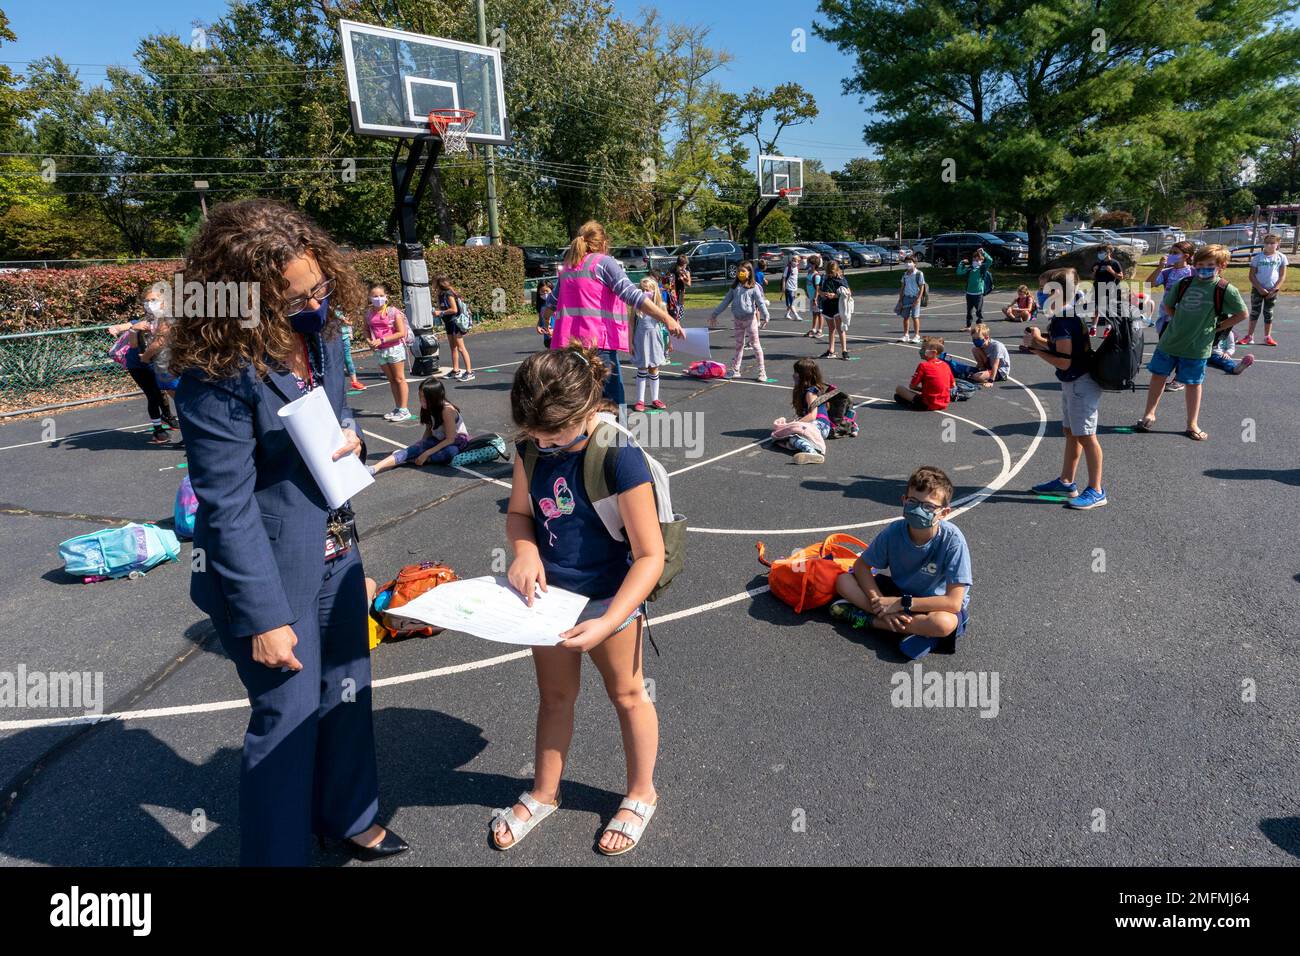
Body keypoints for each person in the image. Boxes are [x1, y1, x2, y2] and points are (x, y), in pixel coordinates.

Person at [169, 198, 407, 866]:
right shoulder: (213, 370)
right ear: (243, 299)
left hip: (335, 545)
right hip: (270, 570)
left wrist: (353, 435)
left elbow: (333, 415)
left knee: (349, 691)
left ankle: (350, 818)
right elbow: (226, 503)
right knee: (287, 721)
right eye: (295, 298)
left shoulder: (325, 335)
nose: (315, 304)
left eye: (320, 288)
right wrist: (264, 616)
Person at [494, 345, 665, 856]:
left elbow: (650, 555)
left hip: (611, 597)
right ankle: (545, 792)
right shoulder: (531, 447)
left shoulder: (618, 456)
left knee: (629, 695)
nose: (543, 444)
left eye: (554, 436)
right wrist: (524, 552)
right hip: (550, 600)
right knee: (555, 697)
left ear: (588, 411)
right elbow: (521, 516)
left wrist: (612, 619)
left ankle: (640, 793)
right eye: (535, 436)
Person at [830, 466, 971, 660]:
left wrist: (899, 604)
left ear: (944, 513)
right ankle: (904, 626)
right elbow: (862, 566)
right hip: (900, 592)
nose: (919, 509)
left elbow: (953, 602)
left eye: (928, 506)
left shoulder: (953, 540)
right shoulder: (895, 531)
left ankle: (871, 621)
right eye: (913, 501)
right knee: (844, 580)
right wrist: (878, 602)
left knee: (944, 623)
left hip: (933, 603)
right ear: (904, 501)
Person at [540, 220, 682, 413]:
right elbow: (632, 295)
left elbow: (551, 302)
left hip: (568, 347)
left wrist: (544, 320)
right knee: (612, 405)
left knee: (578, 404)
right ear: (603, 243)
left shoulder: (569, 267)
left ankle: (587, 441)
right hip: (598, 346)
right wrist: (667, 318)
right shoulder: (603, 263)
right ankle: (617, 441)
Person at [1134, 244, 1247, 441]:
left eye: (1209, 265)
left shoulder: (1225, 289)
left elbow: (1242, 314)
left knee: (1193, 384)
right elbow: (1168, 306)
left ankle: (1191, 423)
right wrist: (1180, 320)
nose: (1203, 268)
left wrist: (1217, 327)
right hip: (1170, 341)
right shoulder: (1184, 283)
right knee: (1158, 376)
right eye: (1200, 264)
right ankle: (1149, 413)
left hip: (1198, 346)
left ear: (1222, 266)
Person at [1023, 266, 1107, 509]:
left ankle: (1097, 490)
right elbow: (1063, 348)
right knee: (1071, 433)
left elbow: (1064, 359)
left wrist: (1036, 349)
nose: (1039, 295)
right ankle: (1067, 481)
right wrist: (1040, 339)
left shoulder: (1062, 320)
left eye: (1042, 290)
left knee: (1086, 436)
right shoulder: (1067, 314)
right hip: (1075, 381)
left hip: (1080, 383)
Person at [108, 284, 178, 444]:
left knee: (166, 391)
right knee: (152, 394)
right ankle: (158, 430)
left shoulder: (166, 318)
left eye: (153, 300)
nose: (149, 304)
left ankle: (168, 416)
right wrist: (126, 329)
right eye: (146, 301)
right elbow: (130, 336)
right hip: (138, 364)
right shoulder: (143, 321)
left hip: (155, 361)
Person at [367, 377, 469, 475]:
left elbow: (450, 439)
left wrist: (426, 453)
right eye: (420, 396)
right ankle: (374, 468)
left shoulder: (447, 410)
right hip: (437, 440)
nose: (421, 400)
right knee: (410, 450)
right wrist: (421, 446)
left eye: (424, 397)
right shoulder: (429, 407)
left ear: (434, 397)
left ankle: (416, 459)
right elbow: (429, 430)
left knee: (450, 452)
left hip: (454, 442)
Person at [710, 260, 773, 382]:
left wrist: (766, 315)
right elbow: (725, 302)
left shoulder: (754, 287)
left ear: (749, 273)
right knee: (739, 346)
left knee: (755, 345)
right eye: (739, 271)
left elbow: (760, 302)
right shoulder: (734, 287)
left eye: (743, 271)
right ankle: (736, 370)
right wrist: (714, 314)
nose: (740, 273)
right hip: (738, 321)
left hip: (750, 320)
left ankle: (762, 372)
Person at [365, 282, 411, 421]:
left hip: (394, 348)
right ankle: (398, 407)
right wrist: (369, 341)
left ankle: (404, 409)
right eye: (375, 296)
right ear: (369, 297)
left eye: (381, 295)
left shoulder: (393, 312)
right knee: (391, 380)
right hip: (380, 350)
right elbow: (366, 329)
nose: (378, 298)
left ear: (386, 297)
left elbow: (401, 333)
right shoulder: (368, 313)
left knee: (399, 378)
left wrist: (382, 340)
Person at [779, 357, 832, 465]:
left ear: (804, 376)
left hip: (820, 426)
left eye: (796, 372)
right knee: (790, 438)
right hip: (816, 426)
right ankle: (809, 449)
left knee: (792, 435)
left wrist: (794, 424)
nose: (794, 375)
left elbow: (813, 416)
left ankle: (812, 452)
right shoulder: (804, 391)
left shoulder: (810, 393)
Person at [632, 276, 672, 412]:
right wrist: (630, 342)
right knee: (642, 368)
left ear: (654, 291)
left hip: (655, 339)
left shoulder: (660, 306)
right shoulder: (637, 306)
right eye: (642, 290)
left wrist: (670, 342)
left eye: (648, 290)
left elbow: (667, 323)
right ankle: (640, 400)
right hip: (641, 338)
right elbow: (631, 324)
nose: (645, 293)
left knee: (654, 368)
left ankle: (655, 398)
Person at [1242, 233, 1286, 345]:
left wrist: (1275, 289)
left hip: (1272, 291)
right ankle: (1249, 336)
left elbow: (1282, 276)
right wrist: (1259, 288)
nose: (1269, 245)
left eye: (1272, 243)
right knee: (1254, 312)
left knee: (1268, 313)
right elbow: (1251, 276)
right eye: (1267, 243)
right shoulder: (1257, 258)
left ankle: (1267, 337)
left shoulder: (1281, 257)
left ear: (1277, 244)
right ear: (1263, 244)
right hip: (1258, 289)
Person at [894, 336, 954, 411]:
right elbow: (952, 385)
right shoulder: (945, 365)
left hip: (927, 403)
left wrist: (923, 390)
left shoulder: (923, 365)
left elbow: (912, 386)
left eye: (924, 349)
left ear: (934, 353)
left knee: (899, 389)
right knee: (899, 396)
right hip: (944, 403)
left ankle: (912, 403)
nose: (921, 351)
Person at [432, 275, 474, 381]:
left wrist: (440, 312)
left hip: (456, 322)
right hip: (449, 322)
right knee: (453, 347)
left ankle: (469, 372)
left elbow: (454, 310)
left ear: (438, 283)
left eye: (433, 281)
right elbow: (442, 308)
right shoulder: (440, 294)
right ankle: (456, 370)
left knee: (461, 347)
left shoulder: (448, 294)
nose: (431, 284)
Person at [819, 260, 852, 360]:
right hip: (827, 305)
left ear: (836, 270)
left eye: (832, 272)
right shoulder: (824, 278)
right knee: (831, 328)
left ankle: (844, 350)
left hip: (837, 305)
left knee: (840, 328)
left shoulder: (841, 279)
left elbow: (849, 292)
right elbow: (819, 290)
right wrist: (823, 293)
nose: (830, 274)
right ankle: (831, 350)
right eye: (829, 272)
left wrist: (835, 295)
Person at [956, 248, 992, 328]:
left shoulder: (982, 268)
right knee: (969, 311)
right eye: (974, 260)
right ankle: (968, 326)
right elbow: (959, 272)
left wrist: (983, 252)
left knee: (978, 311)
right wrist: (961, 263)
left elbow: (990, 260)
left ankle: (980, 325)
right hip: (969, 293)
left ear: (981, 261)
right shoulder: (970, 268)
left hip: (978, 293)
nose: (976, 261)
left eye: (978, 260)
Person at [895, 256, 926, 343]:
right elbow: (902, 287)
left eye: (910, 262)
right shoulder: (905, 275)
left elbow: (922, 287)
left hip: (915, 297)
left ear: (915, 263)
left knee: (915, 317)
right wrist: (900, 300)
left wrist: (918, 299)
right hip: (906, 297)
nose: (908, 263)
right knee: (905, 317)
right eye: (906, 262)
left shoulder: (919, 274)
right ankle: (906, 335)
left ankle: (917, 335)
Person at [1091, 244, 1125, 320]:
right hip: (1098, 287)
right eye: (1099, 252)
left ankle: (1110, 325)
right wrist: (1094, 271)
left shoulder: (1114, 263)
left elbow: (1121, 277)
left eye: (1101, 252)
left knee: (1111, 307)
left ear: (1108, 252)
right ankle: (1094, 326)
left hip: (1110, 288)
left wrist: (1111, 271)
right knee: (1096, 306)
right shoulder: (1098, 263)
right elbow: (1093, 277)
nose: (1100, 254)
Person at [338, 313, 364, 391]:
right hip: (334, 338)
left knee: (348, 359)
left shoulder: (344, 308)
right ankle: (337, 385)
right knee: (336, 361)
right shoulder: (330, 308)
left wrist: (350, 332)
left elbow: (350, 322)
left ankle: (354, 382)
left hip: (345, 337)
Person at [804, 254, 824, 338]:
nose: (808, 265)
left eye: (810, 264)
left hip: (817, 298)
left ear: (814, 265)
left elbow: (817, 289)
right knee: (814, 313)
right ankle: (813, 329)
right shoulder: (809, 273)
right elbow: (807, 284)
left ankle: (820, 330)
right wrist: (807, 292)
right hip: (812, 297)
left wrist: (815, 298)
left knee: (819, 313)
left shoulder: (817, 275)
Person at [534, 279, 555, 349]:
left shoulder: (556, 304)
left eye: (547, 291)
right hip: (547, 336)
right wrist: (538, 326)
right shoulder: (541, 305)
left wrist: (554, 331)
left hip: (555, 335)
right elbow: (540, 318)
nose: (545, 293)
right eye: (542, 291)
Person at [783, 253, 802, 320]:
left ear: (798, 262)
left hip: (794, 288)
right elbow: (784, 278)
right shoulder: (788, 268)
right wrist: (783, 287)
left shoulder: (797, 268)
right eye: (793, 260)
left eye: (796, 260)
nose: (794, 262)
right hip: (789, 288)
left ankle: (787, 314)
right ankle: (796, 316)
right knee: (792, 303)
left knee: (791, 302)